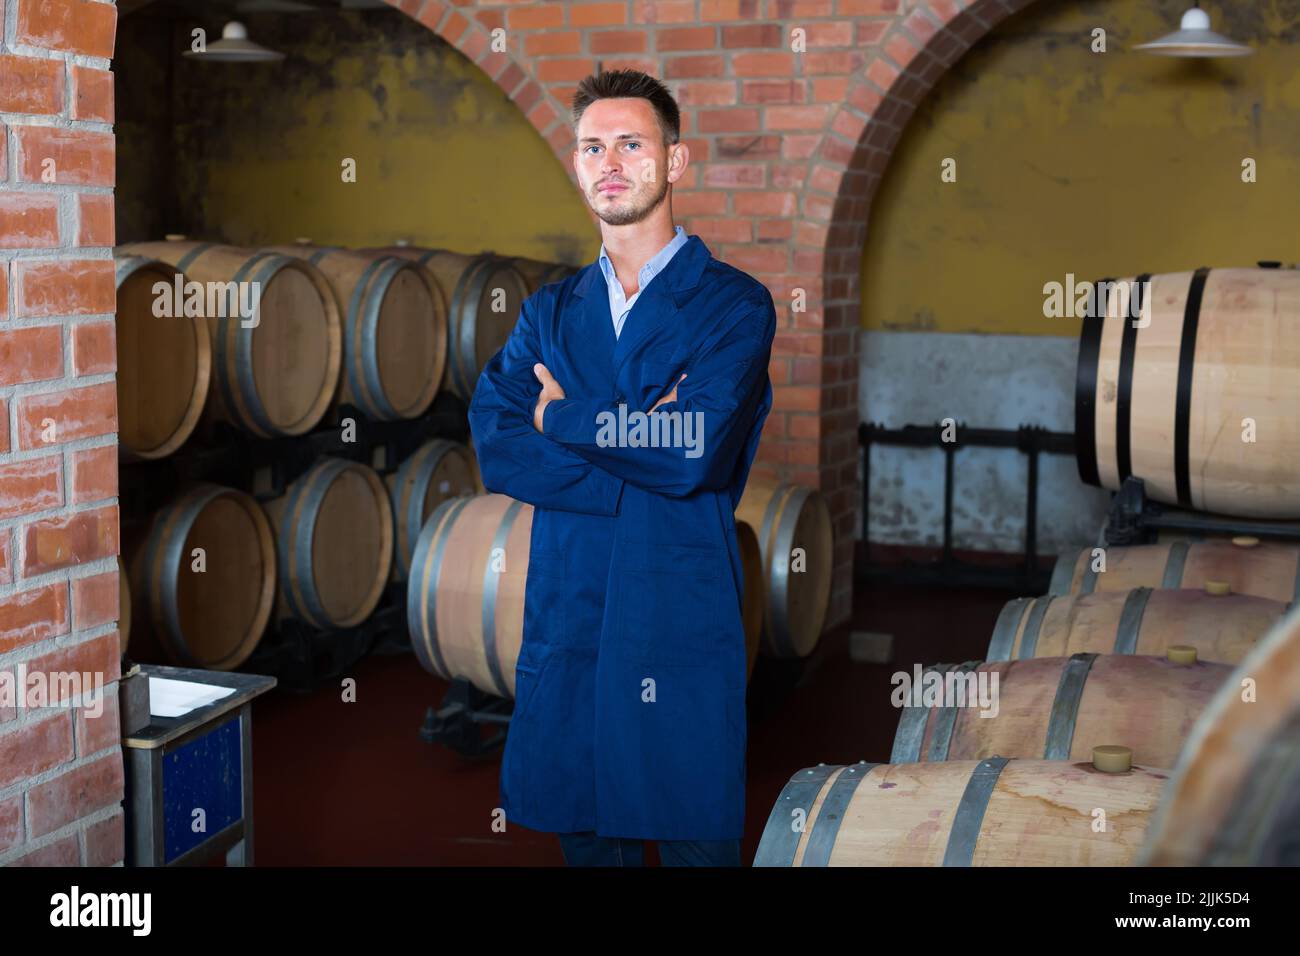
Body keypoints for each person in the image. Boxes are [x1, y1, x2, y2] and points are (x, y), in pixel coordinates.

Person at [467, 68, 776, 867]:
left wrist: (560, 417)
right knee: (585, 837)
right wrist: (638, 447)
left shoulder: (735, 305)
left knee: (694, 842)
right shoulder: (550, 310)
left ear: (676, 161)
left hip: (678, 608)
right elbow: (496, 440)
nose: (610, 161)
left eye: (632, 144)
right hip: (571, 609)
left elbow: (694, 451)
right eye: (592, 146)